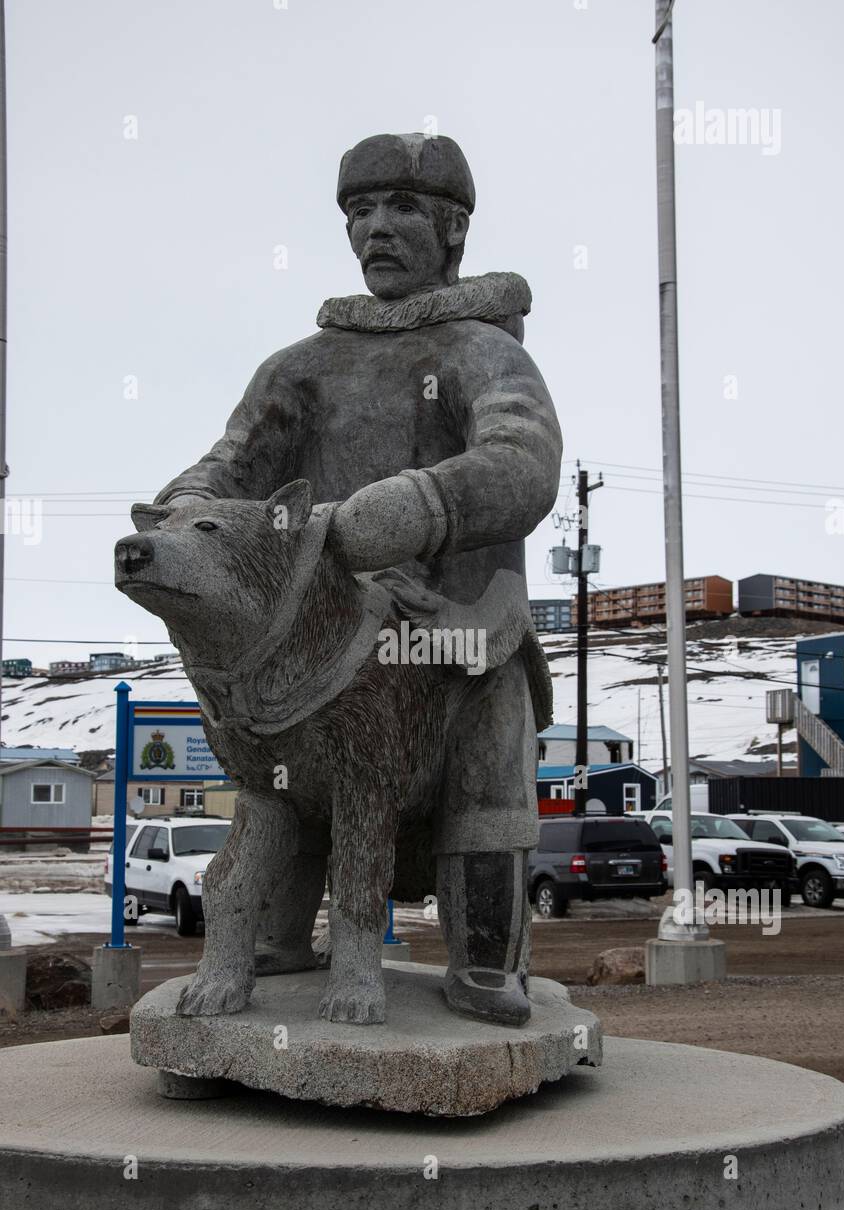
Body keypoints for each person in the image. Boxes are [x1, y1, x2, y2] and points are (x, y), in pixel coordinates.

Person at [154, 133, 563, 1024]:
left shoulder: (479, 351)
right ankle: (275, 933)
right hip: (326, 634)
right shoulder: (302, 365)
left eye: (402, 209)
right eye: (359, 212)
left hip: (451, 618)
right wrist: (186, 507)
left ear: (452, 230)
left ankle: (486, 960)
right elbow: (231, 463)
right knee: (291, 781)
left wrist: (418, 505)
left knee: (487, 767)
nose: (376, 229)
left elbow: (523, 458)